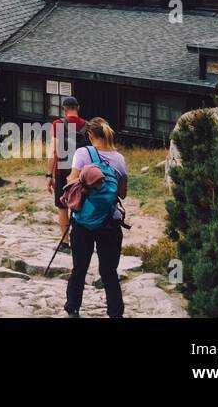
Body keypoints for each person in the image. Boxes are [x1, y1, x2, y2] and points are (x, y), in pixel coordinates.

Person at [64, 117, 128, 319]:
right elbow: (123, 193)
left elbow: (72, 181)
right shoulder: (119, 158)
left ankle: (73, 308)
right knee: (109, 271)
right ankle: (115, 313)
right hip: (110, 220)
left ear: (90, 135)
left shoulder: (83, 153)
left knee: (80, 267)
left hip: (83, 219)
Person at [47, 96, 89, 246]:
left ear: (64, 109)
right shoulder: (87, 126)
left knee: (62, 207)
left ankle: (65, 243)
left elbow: (53, 152)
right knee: (81, 207)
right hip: (82, 174)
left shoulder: (58, 124)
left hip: (62, 172)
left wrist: (48, 175)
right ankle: (82, 241)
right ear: (78, 108)